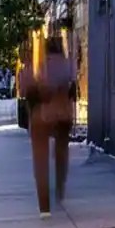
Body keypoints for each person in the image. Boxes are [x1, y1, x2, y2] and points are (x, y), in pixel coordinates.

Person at [19, 37, 75, 217]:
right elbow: (72, 85)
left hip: (41, 113)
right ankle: (60, 187)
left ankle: (44, 207)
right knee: (61, 150)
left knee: (40, 159)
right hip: (63, 112)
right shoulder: (67, 65)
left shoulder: (37, 66)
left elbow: (24, 89)